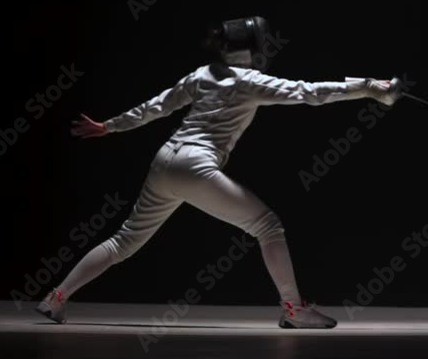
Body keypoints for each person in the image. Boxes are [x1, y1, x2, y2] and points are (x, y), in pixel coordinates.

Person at [35, 16, 402, 329]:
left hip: (165, 159)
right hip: (196, 164)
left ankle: (56, 298)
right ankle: (293, 309)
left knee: (124, 241)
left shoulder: (202, 74)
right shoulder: (250, 81)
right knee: (268, 226)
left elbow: (156, 106)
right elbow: (310, 92)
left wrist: (109, 126)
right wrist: (368, 87)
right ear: (253, 47)